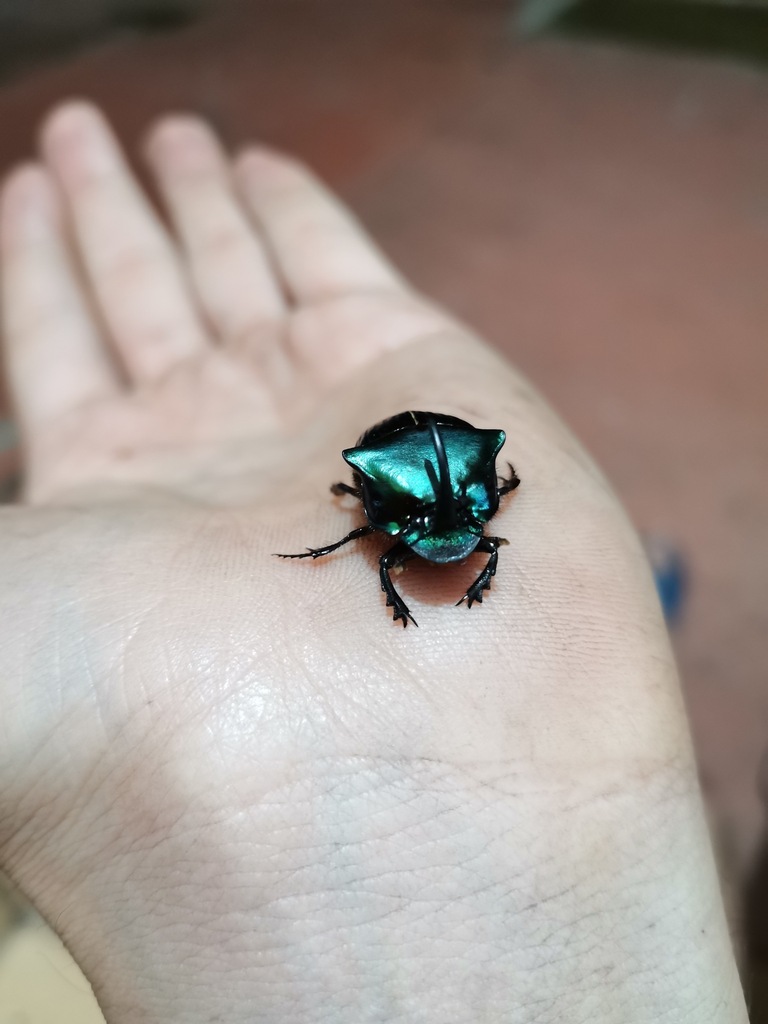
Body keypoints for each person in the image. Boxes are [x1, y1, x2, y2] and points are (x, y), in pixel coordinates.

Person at [0, 101, 747, 1023]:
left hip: (428, 455)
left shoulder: (461, 512)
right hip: (408, 456)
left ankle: (639, 579)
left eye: (468, 540)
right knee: (382, 540)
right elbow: (409, 526)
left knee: (419, 539)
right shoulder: (405, 515)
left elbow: (463, 519)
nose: (452, 550)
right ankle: (652, 576)